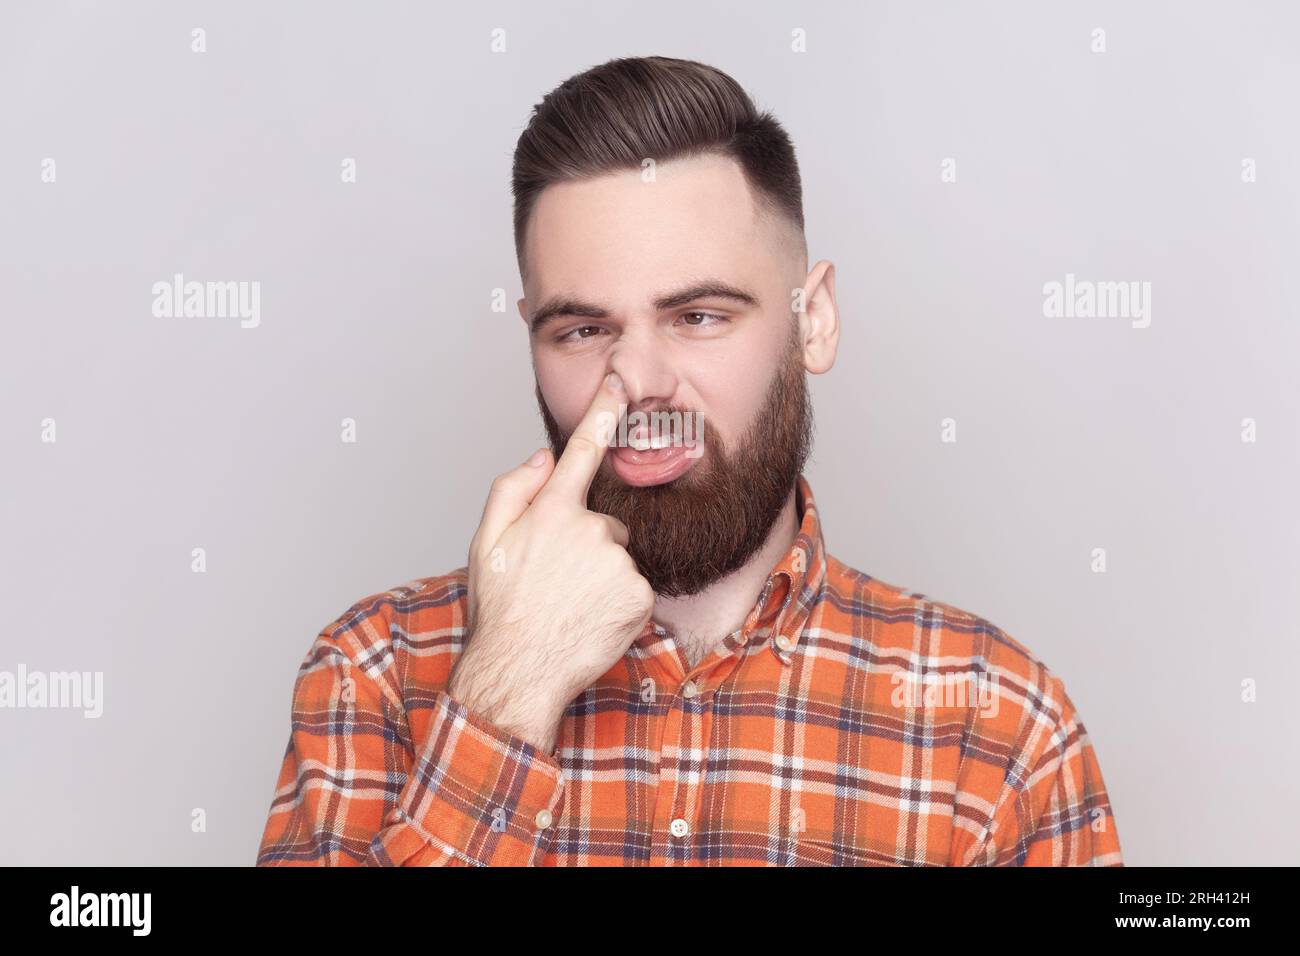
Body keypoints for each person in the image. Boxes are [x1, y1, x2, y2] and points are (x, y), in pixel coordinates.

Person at [256, 55, 1122, 866]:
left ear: (812, 320)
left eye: (699, 316)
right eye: (584, 330)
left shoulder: (997, 728)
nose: (638, 384)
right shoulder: (371, 673)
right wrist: (505, 690)